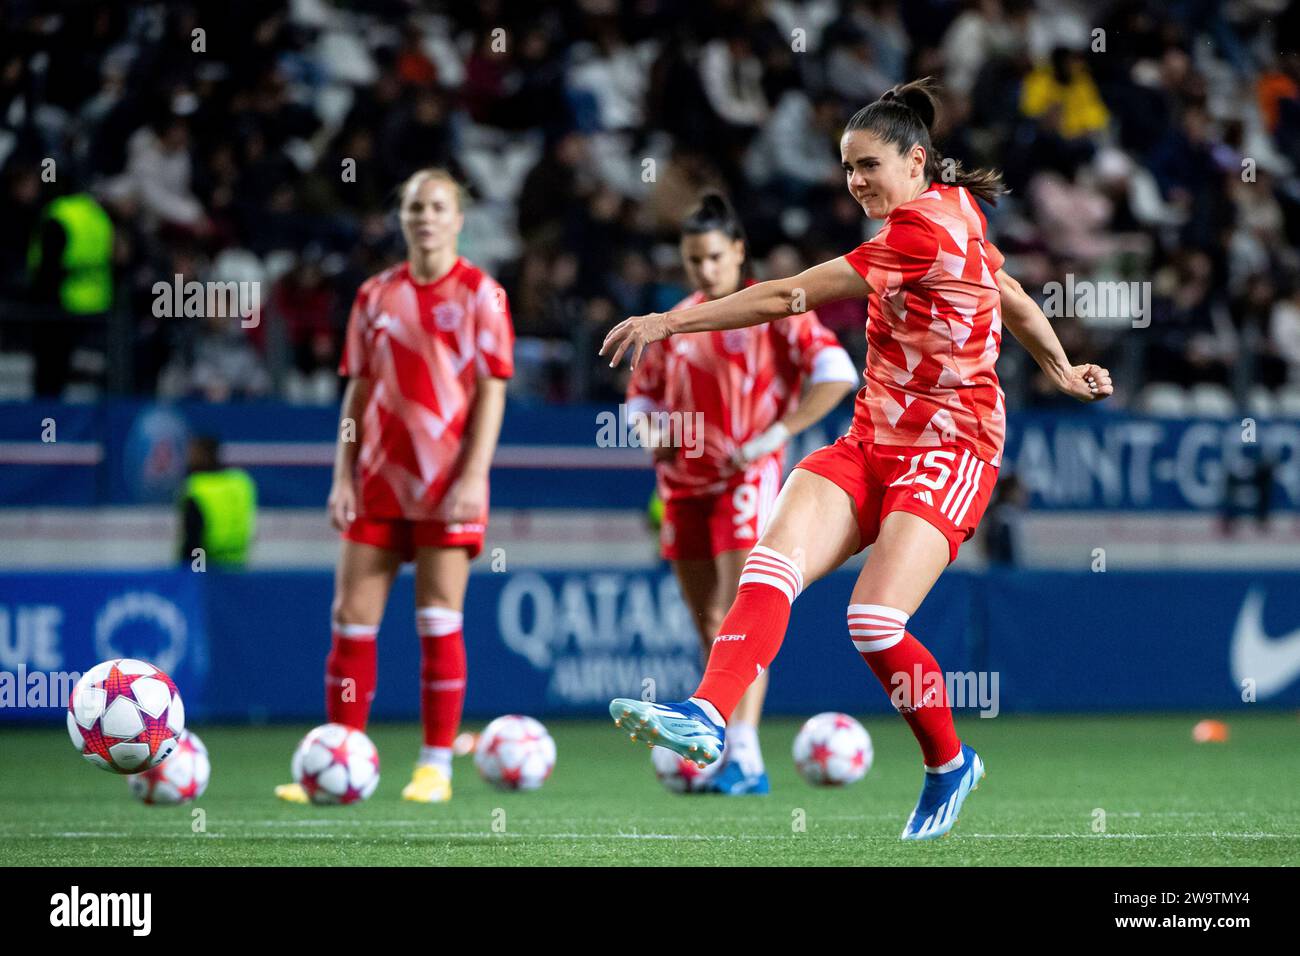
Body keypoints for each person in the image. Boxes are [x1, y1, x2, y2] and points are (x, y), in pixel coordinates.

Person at [602, 78, 1113, 840]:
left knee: (873, 621)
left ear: (916, 162)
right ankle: (707, 716)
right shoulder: (954, 211)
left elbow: (786, 299)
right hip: (872, 440)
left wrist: (672, 323)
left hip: (952, 445)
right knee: (768, 566)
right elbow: (1006, 288)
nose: (855, 181)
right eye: (847, 168)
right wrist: (1058, 366)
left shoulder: (919, 234)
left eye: (869, 165)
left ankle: (949, 763)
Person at [276, 168, 514, 805]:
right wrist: (341, 475)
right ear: (401, 218)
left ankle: (434, 764)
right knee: (351, 620)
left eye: (437, 206)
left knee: (438, 620)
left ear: (458, 218)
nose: (425, 217)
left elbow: (492, 391)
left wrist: (472, 476)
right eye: (414, 207)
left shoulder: (482, 295)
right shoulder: (374, 295)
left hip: (446, 485)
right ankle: (339, 753)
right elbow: (356, 389)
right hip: (379, 480)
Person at [627, 193, 858, 794]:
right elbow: (643, 398)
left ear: (737, 253)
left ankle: (747, 757)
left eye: (712, 257)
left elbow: (836, 374)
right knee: (708, 620)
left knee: (736, 613)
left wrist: (773, 437)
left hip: (743, 482)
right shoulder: (677, 322)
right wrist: (651, 431)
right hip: (681, 489)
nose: (703, 270)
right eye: (692, 259)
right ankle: (724, 745)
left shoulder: (773, 312)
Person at [177, 435, 257, 569]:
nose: (188, 459)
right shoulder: (240, 482)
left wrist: (197, 569)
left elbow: (195, 540)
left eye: (193, 454)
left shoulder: (197, 488)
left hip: (209, 569)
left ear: (205, 455)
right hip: (238, 566)